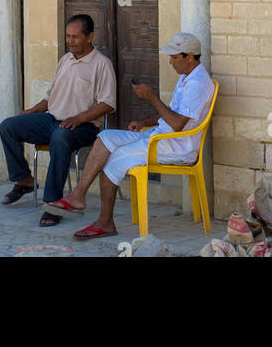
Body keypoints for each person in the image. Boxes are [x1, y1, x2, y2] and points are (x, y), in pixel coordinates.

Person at [47, 31, 214, 240]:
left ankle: (105, 223)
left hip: (176, 147)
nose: (170, 62)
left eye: (174, 57)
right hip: (159, 136)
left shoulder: (198, 83)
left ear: (190, 57)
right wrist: (144, 122)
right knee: (106, 138)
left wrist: (151, 97)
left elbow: (179, 124)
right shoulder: (186, 78)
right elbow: (171, 114)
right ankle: (78, 195)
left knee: (114, 158)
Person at [0, 14, 117, 227]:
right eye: (68, 36)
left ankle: (53, 203)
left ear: (89, 37)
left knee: (60, 136)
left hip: (85, 127)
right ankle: (24, 180)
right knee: (9, 126)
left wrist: (79, 117)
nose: (70, 41)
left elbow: (107, 104)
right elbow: (50, 96)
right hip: (53, 119)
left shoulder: (102, 64)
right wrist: (32, 110)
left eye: (75, 37)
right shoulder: (65, 59)